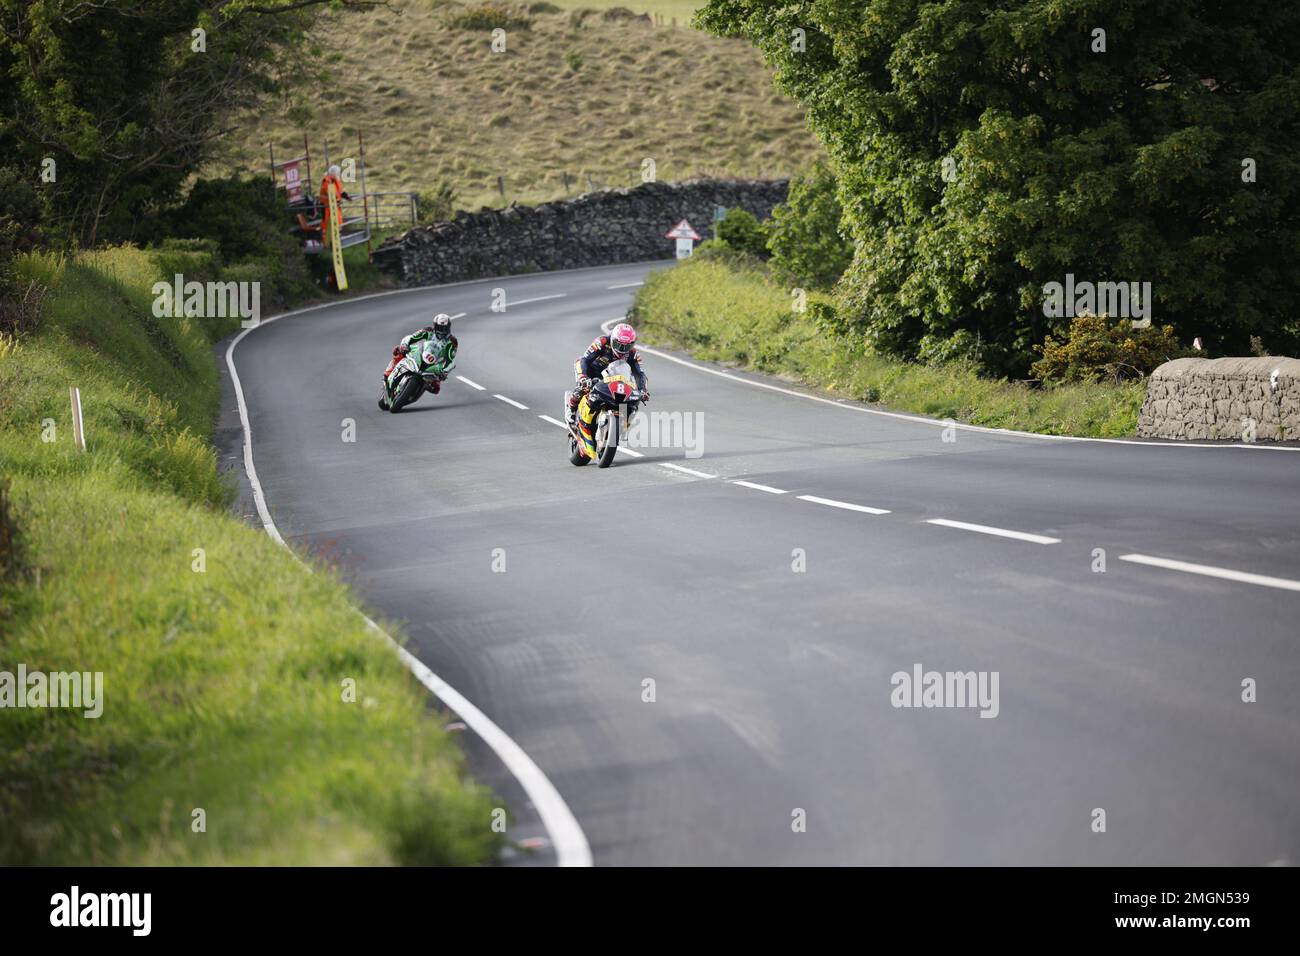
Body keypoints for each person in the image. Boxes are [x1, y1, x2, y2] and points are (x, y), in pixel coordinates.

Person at [566, 322, 649, 424]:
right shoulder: (602, 342)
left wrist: (643, 390)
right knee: (584, 386)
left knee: (633, 402)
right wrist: (584, 376)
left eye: (626, 347)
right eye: (618, 345)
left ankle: (622, 424)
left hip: (614, 377)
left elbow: (640, 374)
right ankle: (571, 408)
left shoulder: (633, 354)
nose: (622, 350)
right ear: (613, 339)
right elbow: (585, 360)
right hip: (593, 372)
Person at [383, 313, 458, 394]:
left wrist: (445, 371)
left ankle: (422, 387)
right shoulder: (428, 330)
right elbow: (412, 337)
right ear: (435, 326)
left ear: (449, 327)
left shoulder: (452, 342)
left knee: (436, 389)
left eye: (445, 328)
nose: (442, 330)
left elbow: (451, 360)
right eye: (440, 327)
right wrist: (404, 345)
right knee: (398, 350)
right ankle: (389, 372)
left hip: (435, 364)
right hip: (422, 353)